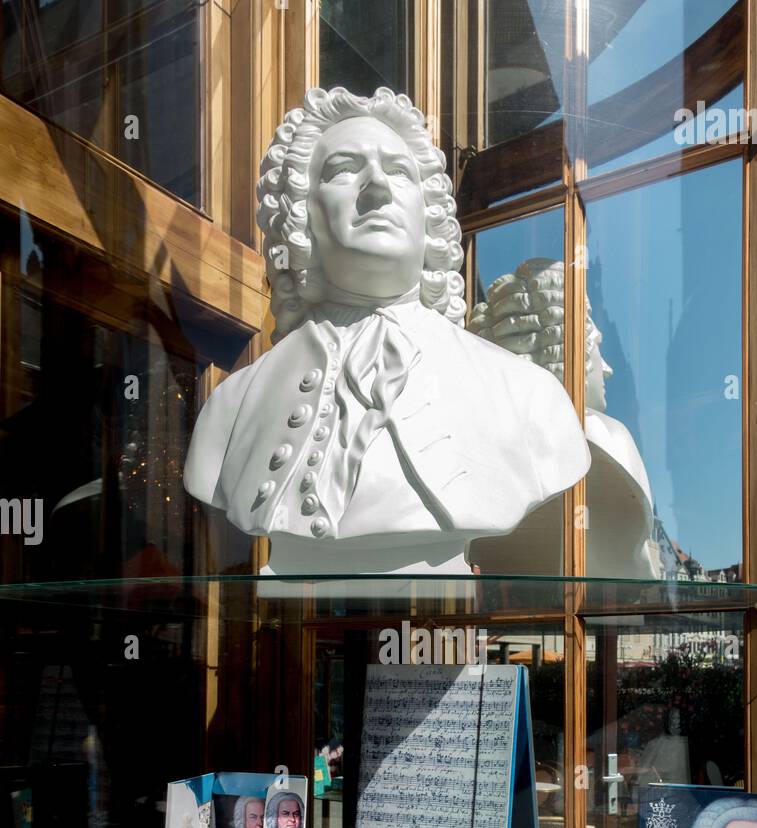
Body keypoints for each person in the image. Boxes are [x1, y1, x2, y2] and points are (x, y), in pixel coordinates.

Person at [184, 86, 588, 576]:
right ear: (299, 217)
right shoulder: (229, 410)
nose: (377, 186)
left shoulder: (529, 398)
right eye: (343, 170)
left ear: (429, 215)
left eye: (399, 171)